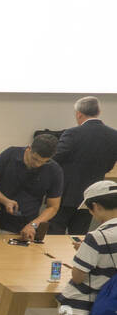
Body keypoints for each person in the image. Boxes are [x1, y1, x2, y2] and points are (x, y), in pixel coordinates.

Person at [0, 134, 64, 315]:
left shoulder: (54, 170)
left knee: (5, 276)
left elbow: (53, 206)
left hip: (22, 229)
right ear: (28, 149)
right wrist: (5, 201)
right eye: (35, 159)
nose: (37, 164)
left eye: (43, 162)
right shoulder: (10, 155)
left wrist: (34, 224)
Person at [57, 179, 117, 315]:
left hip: (71, 308)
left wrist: (84, 251)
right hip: (104, 308)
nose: (91, 214)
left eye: (90, 209)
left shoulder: (96, 236)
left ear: (97, 206)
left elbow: (78, 276)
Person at [51, 96, 117, 236]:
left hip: (65, 194)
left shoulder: (72, 133)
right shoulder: (114, 135)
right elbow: (109, 166)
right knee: (79, 235)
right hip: (92, 196)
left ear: (79, 114)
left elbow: (54, 160)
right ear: (98, 112)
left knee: (55, 234)